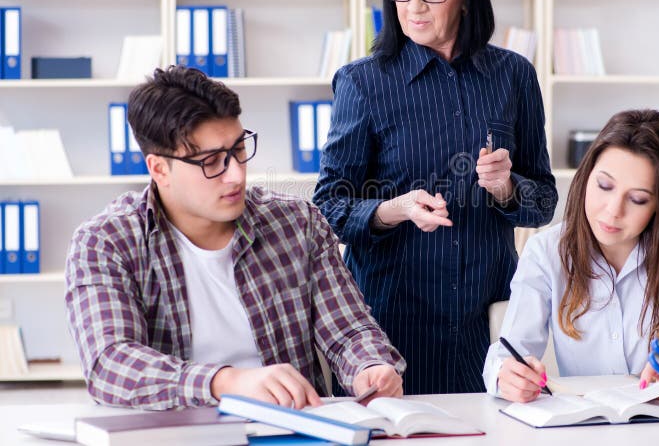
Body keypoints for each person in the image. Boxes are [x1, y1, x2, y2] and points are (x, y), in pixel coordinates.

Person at [65, 66, 405, 410]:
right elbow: (109, 364)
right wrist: (226, 382)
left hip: (292, 432)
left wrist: (370, 366)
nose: (236, 175)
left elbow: (348, 330)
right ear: (159, 169)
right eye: (211, 161)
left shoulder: (296, 223)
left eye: (239, 150)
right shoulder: (105, 243)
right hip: (176, 434)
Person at [312, 0, 557, 395]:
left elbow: (544, 202)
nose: (413, 6)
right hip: (388, 326)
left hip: (486, 328)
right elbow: (328, 207)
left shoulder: (514, 76)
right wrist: (394, 210)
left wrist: (507, 187)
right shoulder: (362, 82)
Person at [483, 109, 659, 402]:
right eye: (604, 185)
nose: (613, 210)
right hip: (586, 425)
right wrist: (506, 375)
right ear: (586, 176)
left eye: (638, 199)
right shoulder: (546, 251)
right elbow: (506, 354)